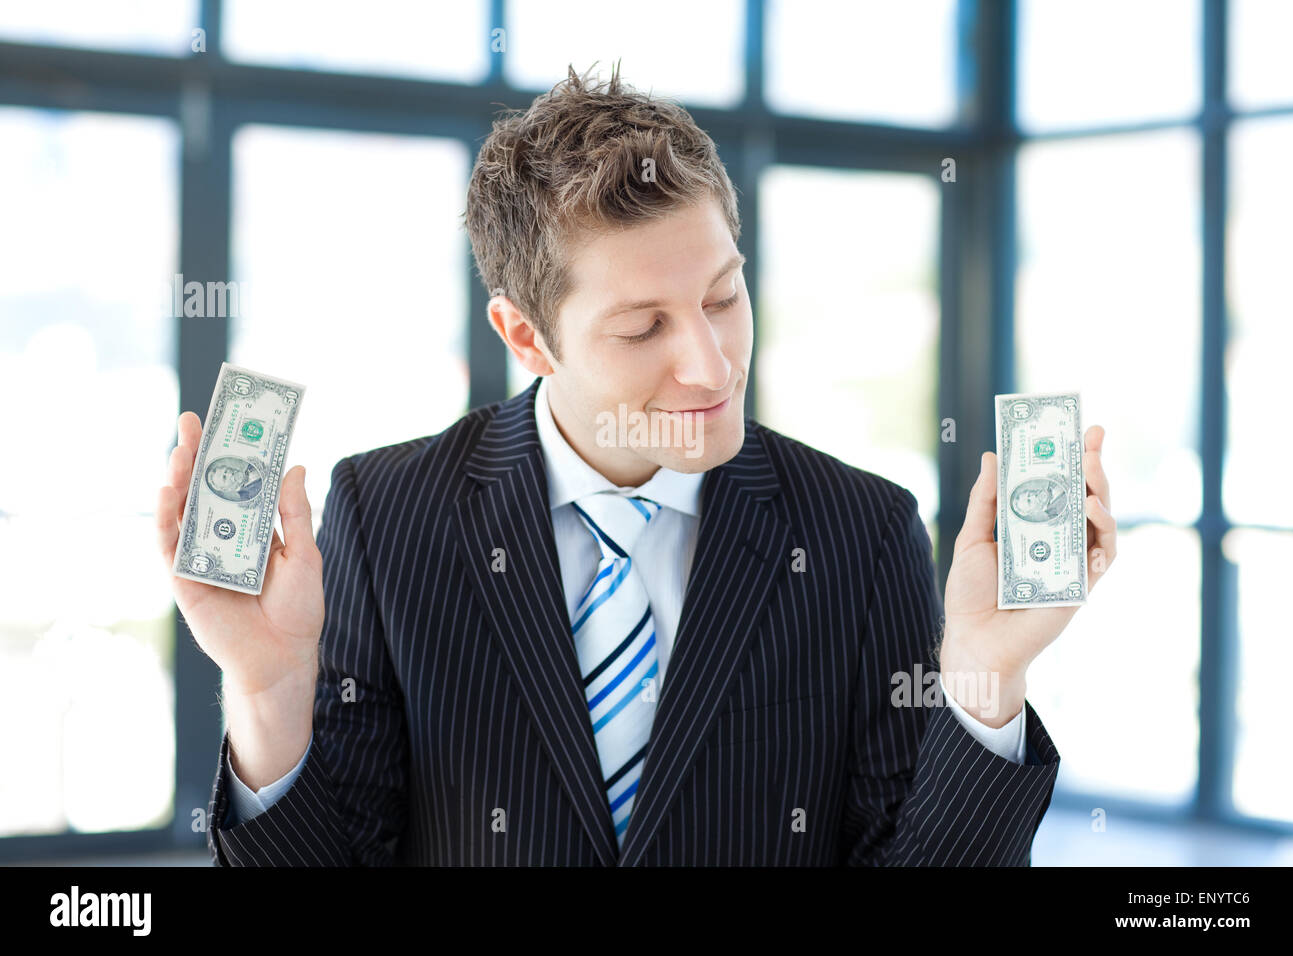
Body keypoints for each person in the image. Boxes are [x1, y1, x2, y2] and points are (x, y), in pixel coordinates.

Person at [155, 63, 1117, 866]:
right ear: (525, 336)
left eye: (723, 296)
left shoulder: (860, 531)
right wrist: (269, 697)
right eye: (641, 326)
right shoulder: (387, 512)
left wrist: (987, 679)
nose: (711, 363)